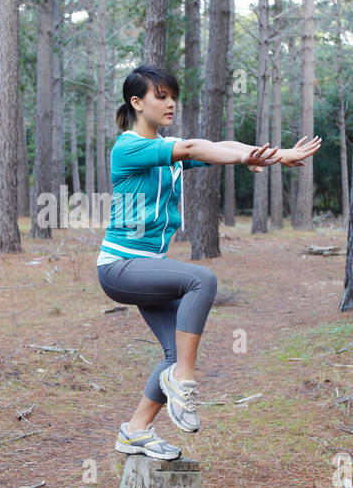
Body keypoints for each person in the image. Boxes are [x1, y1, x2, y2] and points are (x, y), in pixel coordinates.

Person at [96, 63, 322, 460]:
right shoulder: (129, 146)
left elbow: (222, 145)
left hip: (146, 266)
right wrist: (260, 157)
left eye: (172, 96)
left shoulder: (167, 148)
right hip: (120, 266)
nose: (170, 103)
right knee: (202, 280)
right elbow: (192, 148)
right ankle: (183, 381)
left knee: (172, 351)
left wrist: (262, 156)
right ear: (137, 102)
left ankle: (134, 430)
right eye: (160, 96)